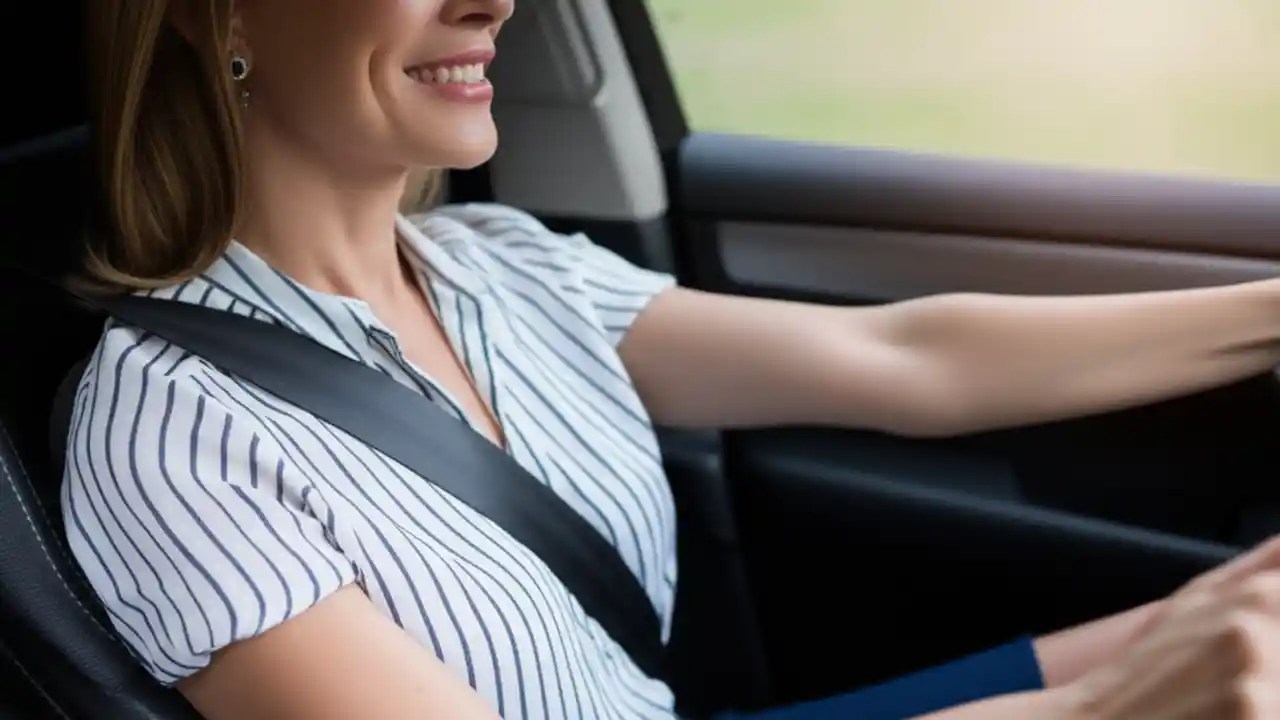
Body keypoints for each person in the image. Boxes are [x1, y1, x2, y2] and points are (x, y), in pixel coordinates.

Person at [63, 0, 1280, 718]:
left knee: (1249, 612)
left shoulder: (500, 263)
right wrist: (1092, 710)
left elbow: (905, 358)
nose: (494, 1)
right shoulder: (168, 431)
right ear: (224, 15)